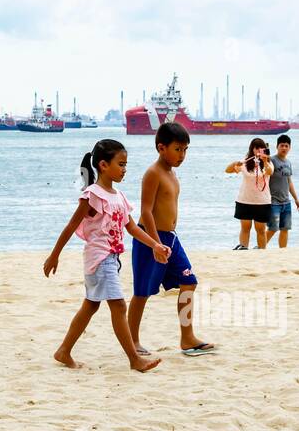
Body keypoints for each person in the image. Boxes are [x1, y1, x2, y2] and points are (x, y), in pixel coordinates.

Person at [43, 139, 170, 371]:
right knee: (119, 306)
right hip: (99, 258)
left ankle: (63, 351)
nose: (124, 169)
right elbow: (72, 225)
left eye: (126, 164)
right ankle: (134, 359)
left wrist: (155, 245)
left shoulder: (119, 197)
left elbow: (131, 228)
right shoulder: (93, 195)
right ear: (103, 165)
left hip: (111, 259)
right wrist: (54, 255)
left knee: (90, 306)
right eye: (120, 164)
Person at [127, 121, 216, 357]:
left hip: (172, 239)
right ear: (161, 148)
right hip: (150, 239)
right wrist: (155, 243)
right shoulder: (152, 173)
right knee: (142, 292)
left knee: (189, 282)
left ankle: (187, 338)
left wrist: (166, 241)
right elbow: (146, 211)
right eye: (178, 149)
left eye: (185, 150)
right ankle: (132, 340)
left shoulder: (172, 174)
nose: (182, 155)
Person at [225, 137, 274, 249]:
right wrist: (235, 163)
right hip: (244, 200)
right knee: (245, 228)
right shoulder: (245, 162)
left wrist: (265, 160)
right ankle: (243, 250)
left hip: (262, 202)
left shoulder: (269, 163)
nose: (258, 151)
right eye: (256, 148)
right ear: (252, 149)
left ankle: (262, 252)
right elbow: (227, 170)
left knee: (261, 230)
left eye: (261, 148)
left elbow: (270, 172)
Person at [266, 134, 299, 247]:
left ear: (289, 148)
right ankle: (260, 247)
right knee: (273, 228)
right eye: (282, 146)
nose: (284, 148)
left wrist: (296, 199)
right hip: (273, 201)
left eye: (286, 146)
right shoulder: (271, 160)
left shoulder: (288, 162)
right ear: (277, 147)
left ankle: (283, 251)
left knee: (285, 229)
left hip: (286, 202)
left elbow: (289, 182)